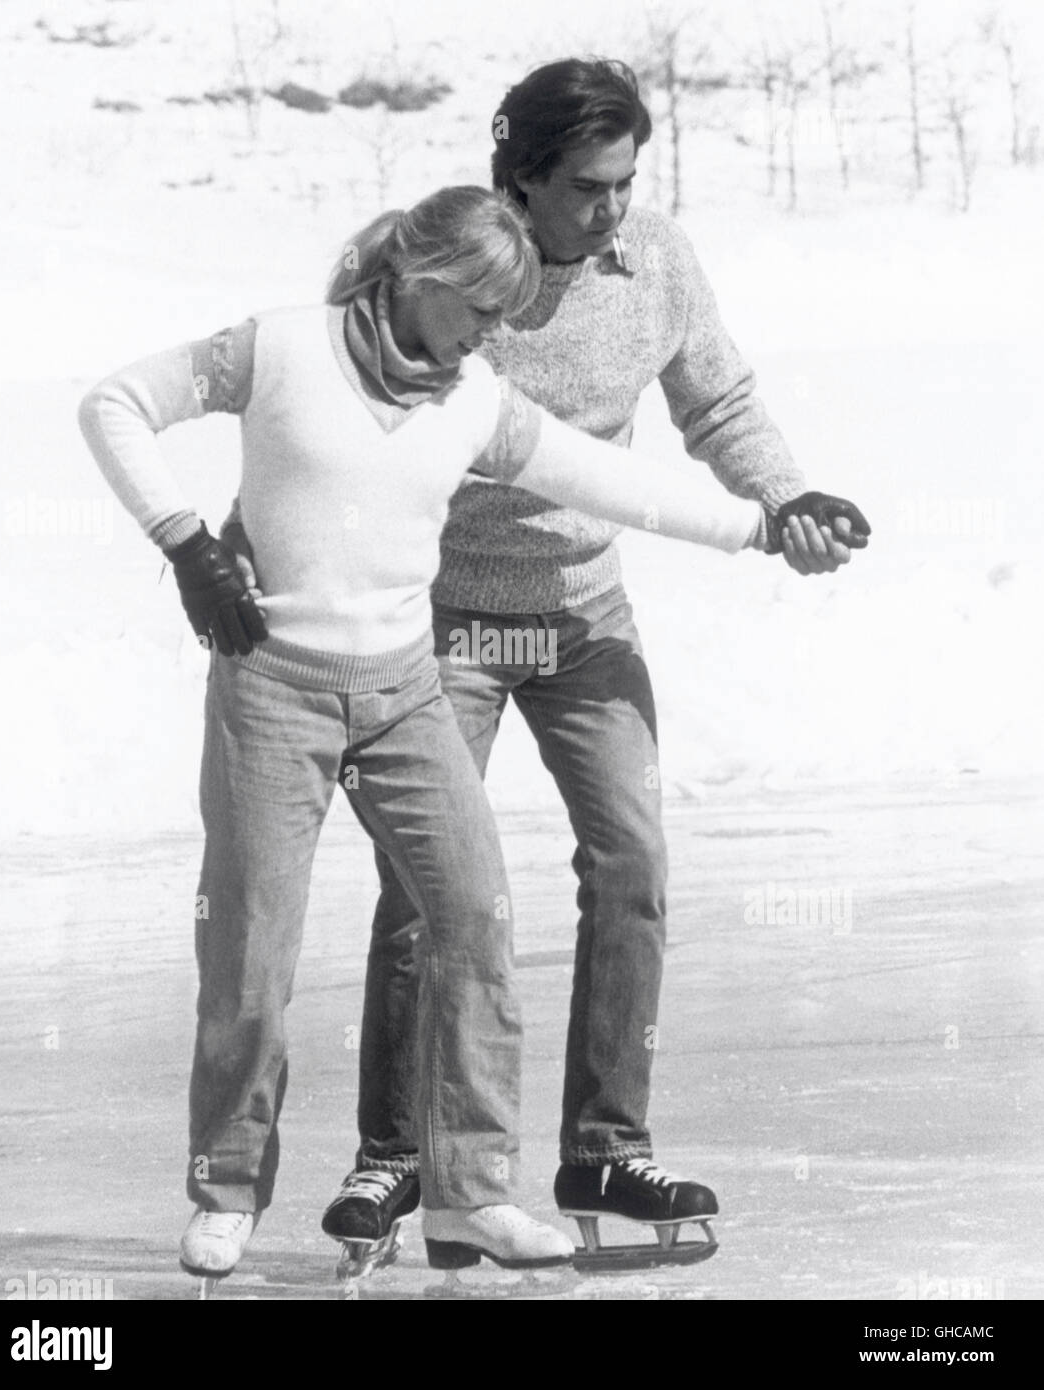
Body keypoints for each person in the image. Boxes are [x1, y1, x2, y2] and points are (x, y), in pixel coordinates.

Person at [77, 184, 790, 1287]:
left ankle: (473, 1197)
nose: (492, 336)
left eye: (506, 316)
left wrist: (762, 524)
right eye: (482, 310)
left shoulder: (473, 400)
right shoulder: (277, 350)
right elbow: (114, 402)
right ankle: (225, 1189)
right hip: (274, 688)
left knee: (474, 919)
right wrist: (187, 546)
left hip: (407, 689)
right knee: (254, 945)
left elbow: (608, 481)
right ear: (420, 277)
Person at [280, 60, 869, 1261]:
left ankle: (604, 1142)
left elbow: (720, 401)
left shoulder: (653, 260)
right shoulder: (455, 267)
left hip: (586, 611)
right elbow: (334, 419)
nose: (615, 207)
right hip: (443, 623)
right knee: (428, 891)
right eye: (591, 187)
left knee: (634, 862)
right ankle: (396, 1156)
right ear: (523, 178)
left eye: (628, 182)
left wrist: (786, 495)